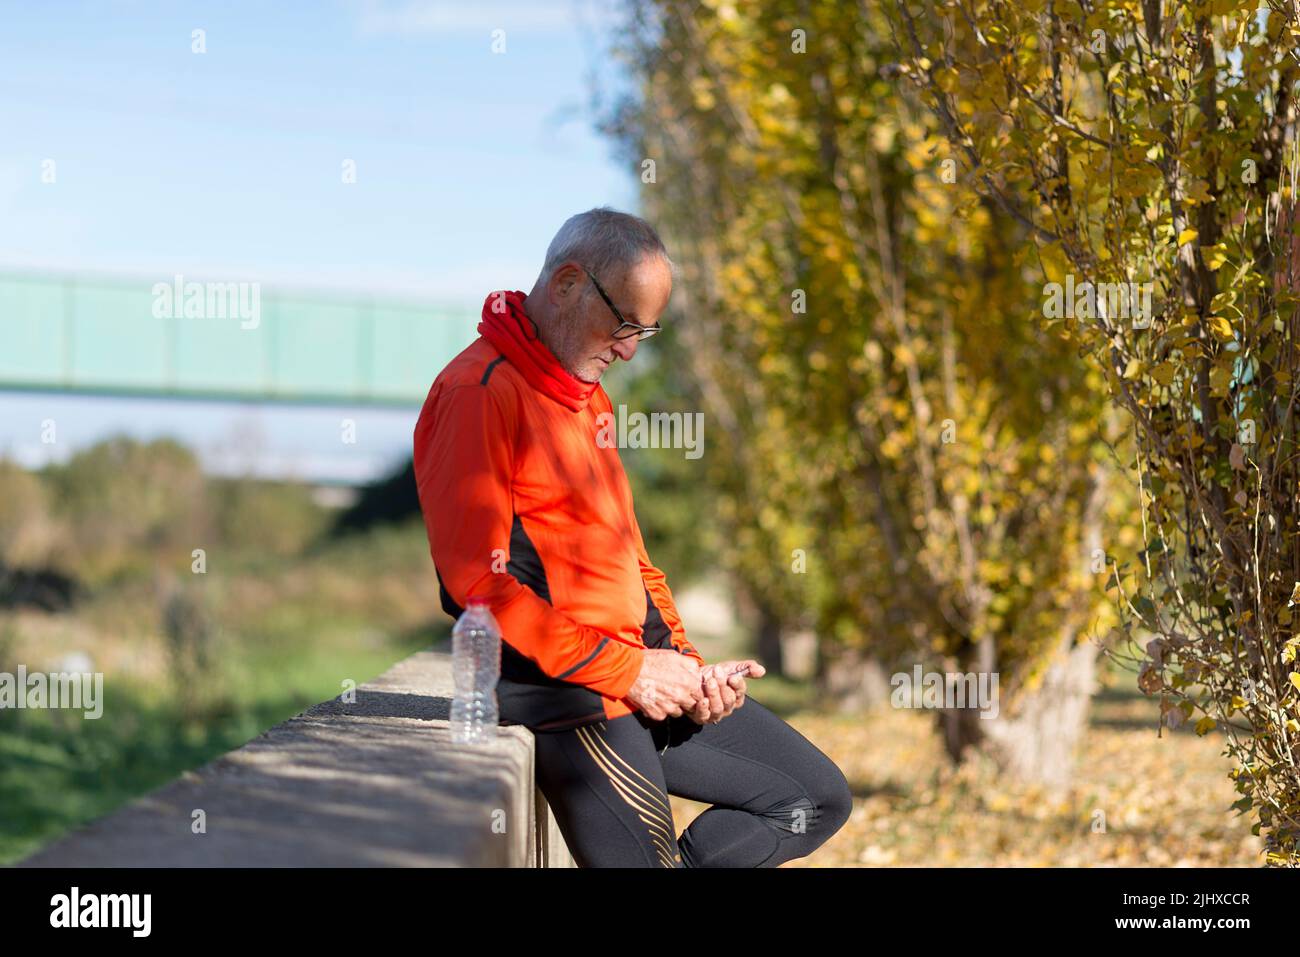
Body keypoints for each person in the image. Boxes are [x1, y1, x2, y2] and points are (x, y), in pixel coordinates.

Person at [412, 207, 851, 867]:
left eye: (647, 330)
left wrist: (685, 664)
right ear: (566, 285)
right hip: (568, 697)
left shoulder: (590, 400)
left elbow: (631, 557)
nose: (630, 349)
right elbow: (476, 584)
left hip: (638, 672)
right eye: (624, 323)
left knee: (816, 797)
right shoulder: (476, 393)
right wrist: (631, 671)